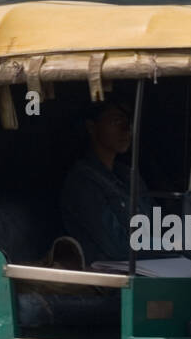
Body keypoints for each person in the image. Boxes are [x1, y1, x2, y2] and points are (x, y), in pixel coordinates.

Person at [60, 98, 150, 265]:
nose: (126, 129)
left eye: (128, 121)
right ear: (91, 127)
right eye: (116, 121)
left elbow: (152, 223)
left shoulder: (128, 175)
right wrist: (172, 244)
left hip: (148, 263)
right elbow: (119, 246)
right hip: (107, 278)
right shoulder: (83, 182)